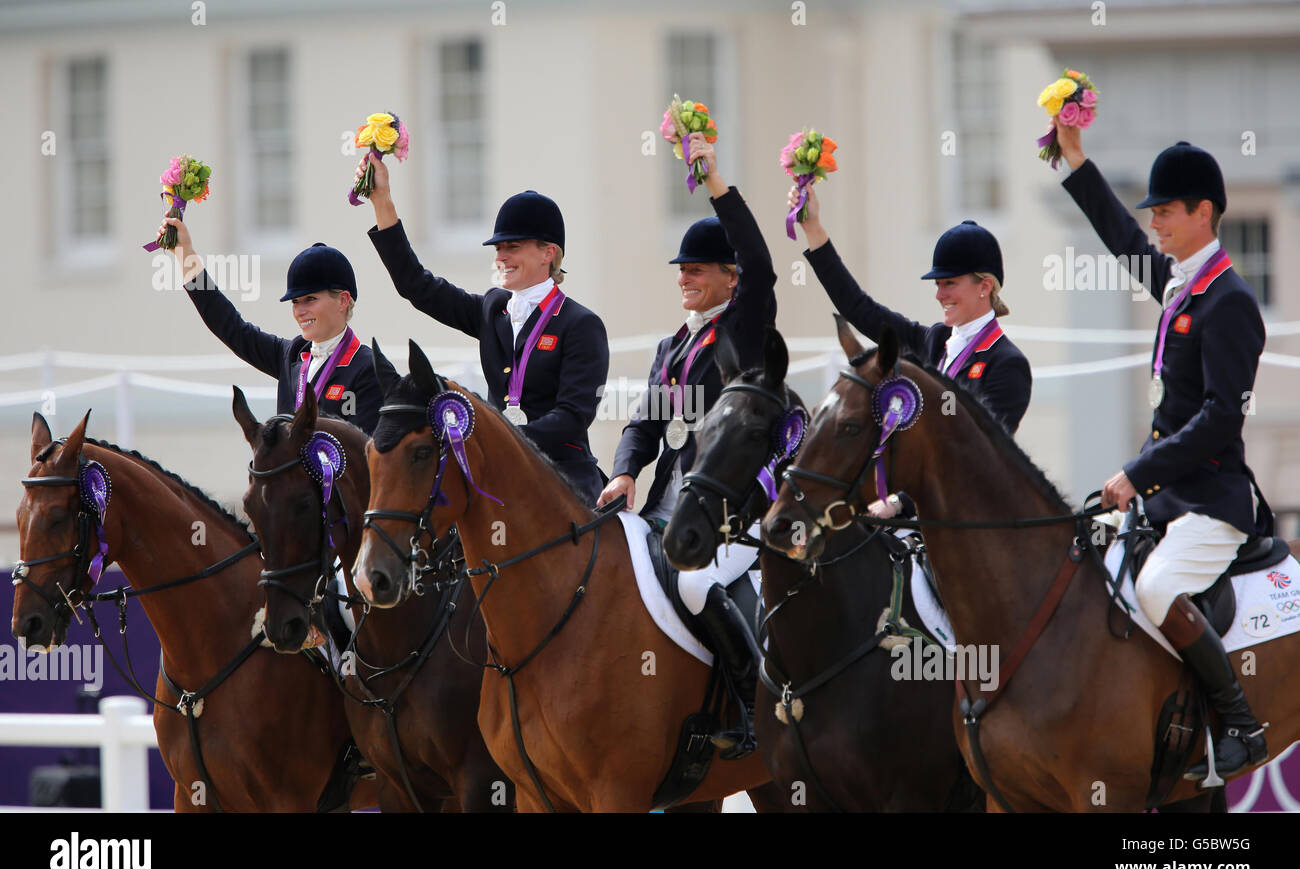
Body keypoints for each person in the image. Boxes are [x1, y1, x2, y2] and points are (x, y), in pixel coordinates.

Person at [1056, 125, 1272, 779]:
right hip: (1167, 499)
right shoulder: (1182, 286)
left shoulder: (1229, 302)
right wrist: (1075, 164)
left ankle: (1240, 724)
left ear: (1203, 212)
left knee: (1152, 589)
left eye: (1166, 210)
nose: (1154, 221)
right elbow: (1123, 241)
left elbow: (1216, 422)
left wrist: (1136, 473)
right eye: (1152, 210)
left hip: (1211, 500)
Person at [598, 133, 776, 758]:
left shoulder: (744, 327)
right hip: (668, 502)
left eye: (697, 269)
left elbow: (761, 258)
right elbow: (646, 425)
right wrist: (624, 473)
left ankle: (752, 709)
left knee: (697, 588)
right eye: (681, 269)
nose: (685, 278)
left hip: (729, 503)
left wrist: (715, 179)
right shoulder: (673, 345)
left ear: (731, 277)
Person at [361, 157, 608, 506]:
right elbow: (416, 285)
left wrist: (500, 438)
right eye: (498, 249)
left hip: (562, 475)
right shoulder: (493, 309)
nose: (501, 257)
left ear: (547, 254)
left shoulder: (580, 324)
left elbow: (572, 417)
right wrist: (382, 201)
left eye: (513, 247)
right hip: (495, 474)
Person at [790, 186, 1033, 521]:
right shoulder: (933, 342)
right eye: (937, 285)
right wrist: (813, 228)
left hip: (970, 525)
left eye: (949, 283)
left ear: (984, 286)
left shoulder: (1007, 364)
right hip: (914, 516)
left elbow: (977, 457)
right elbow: (860, 308)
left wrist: (901, 502)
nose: (939, 294)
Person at [158, 218, 382, 433]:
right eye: (295, 302)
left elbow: (366, 459)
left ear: (342, 300)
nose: (300, 311)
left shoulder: (370, 370)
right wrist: (184, 252)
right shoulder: (291, 355)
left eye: (310, 299)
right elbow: (230, 326)